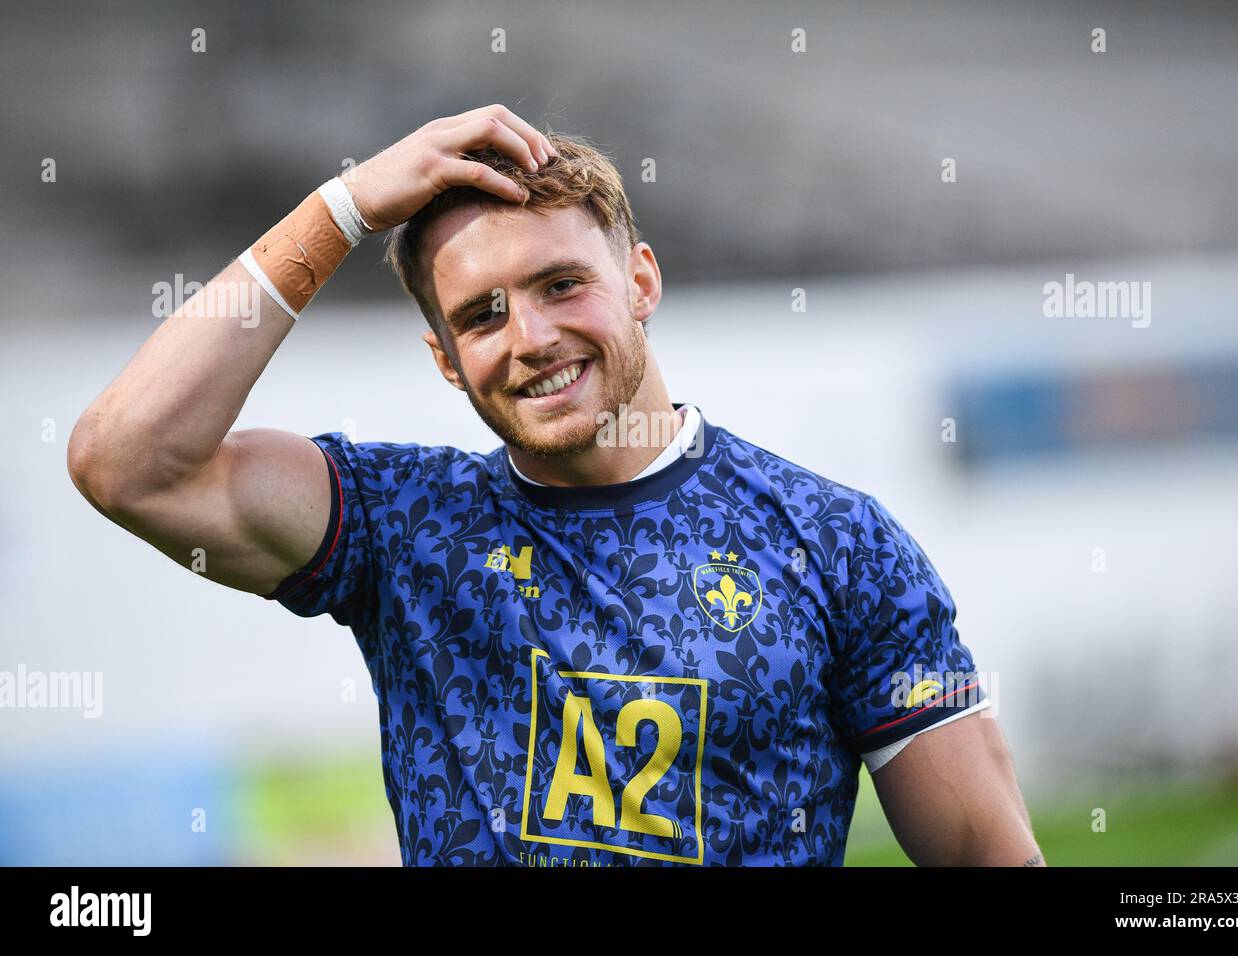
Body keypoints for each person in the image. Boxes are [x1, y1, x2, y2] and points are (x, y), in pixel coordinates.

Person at [67, 104, 1043, 867]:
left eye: (560, 283)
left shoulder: (837, 543)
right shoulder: (401, 523)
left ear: (642, 282)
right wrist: (345, 206)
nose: (530, 337)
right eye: (481, 314)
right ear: (446, 359)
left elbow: (983, 848)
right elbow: (125, 461)